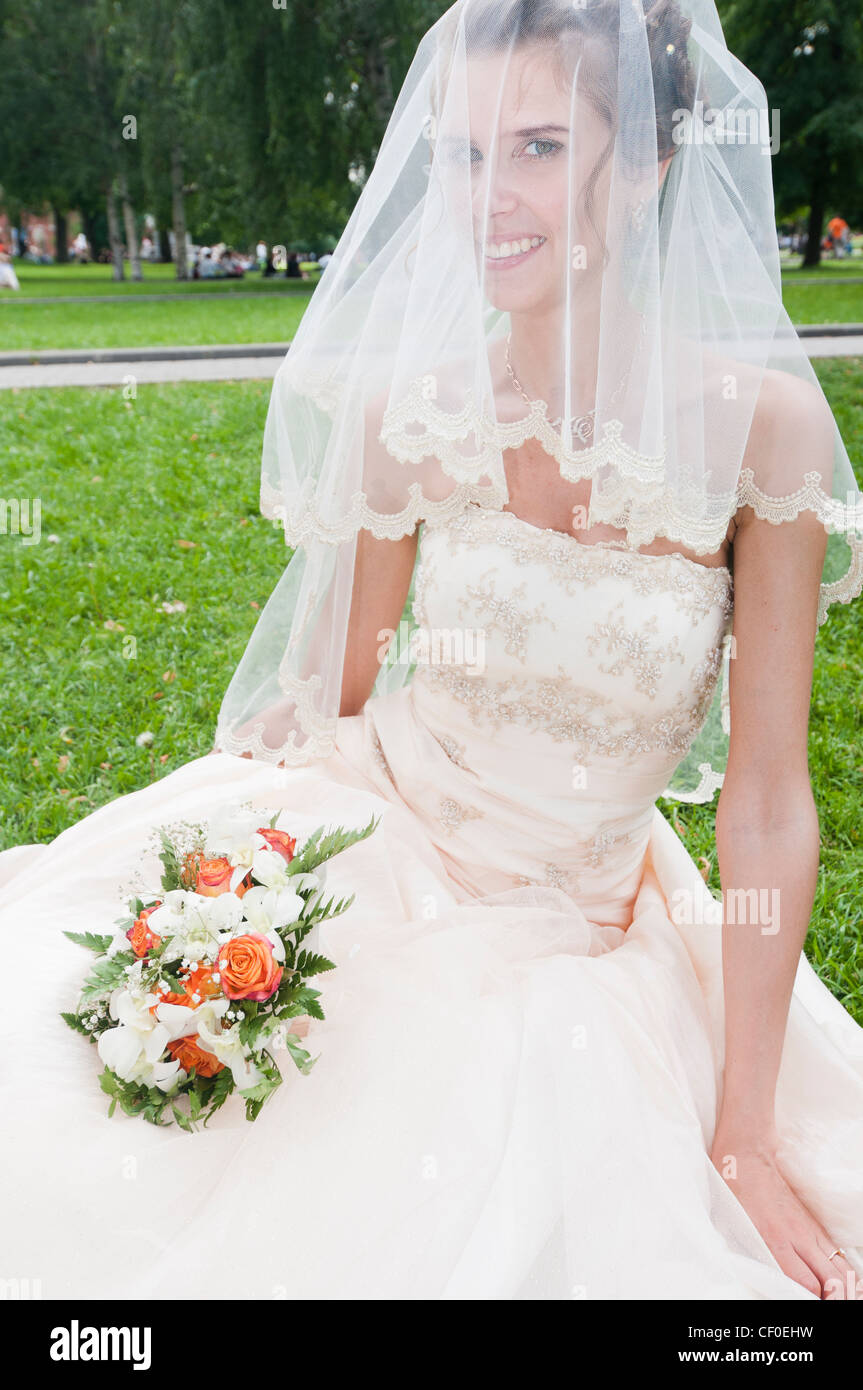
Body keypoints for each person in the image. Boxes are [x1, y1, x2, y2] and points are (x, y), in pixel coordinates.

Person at [2, 0, 863, 1302]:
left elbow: (766, 796)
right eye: (461, 155)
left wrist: (741, 1131)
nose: (484, 199)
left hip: (587, 922)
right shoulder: (410, 413)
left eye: (534, 147)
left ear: (644, 170)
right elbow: (331, 696)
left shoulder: (764, 438)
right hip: (384, 848)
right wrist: (249, 863)